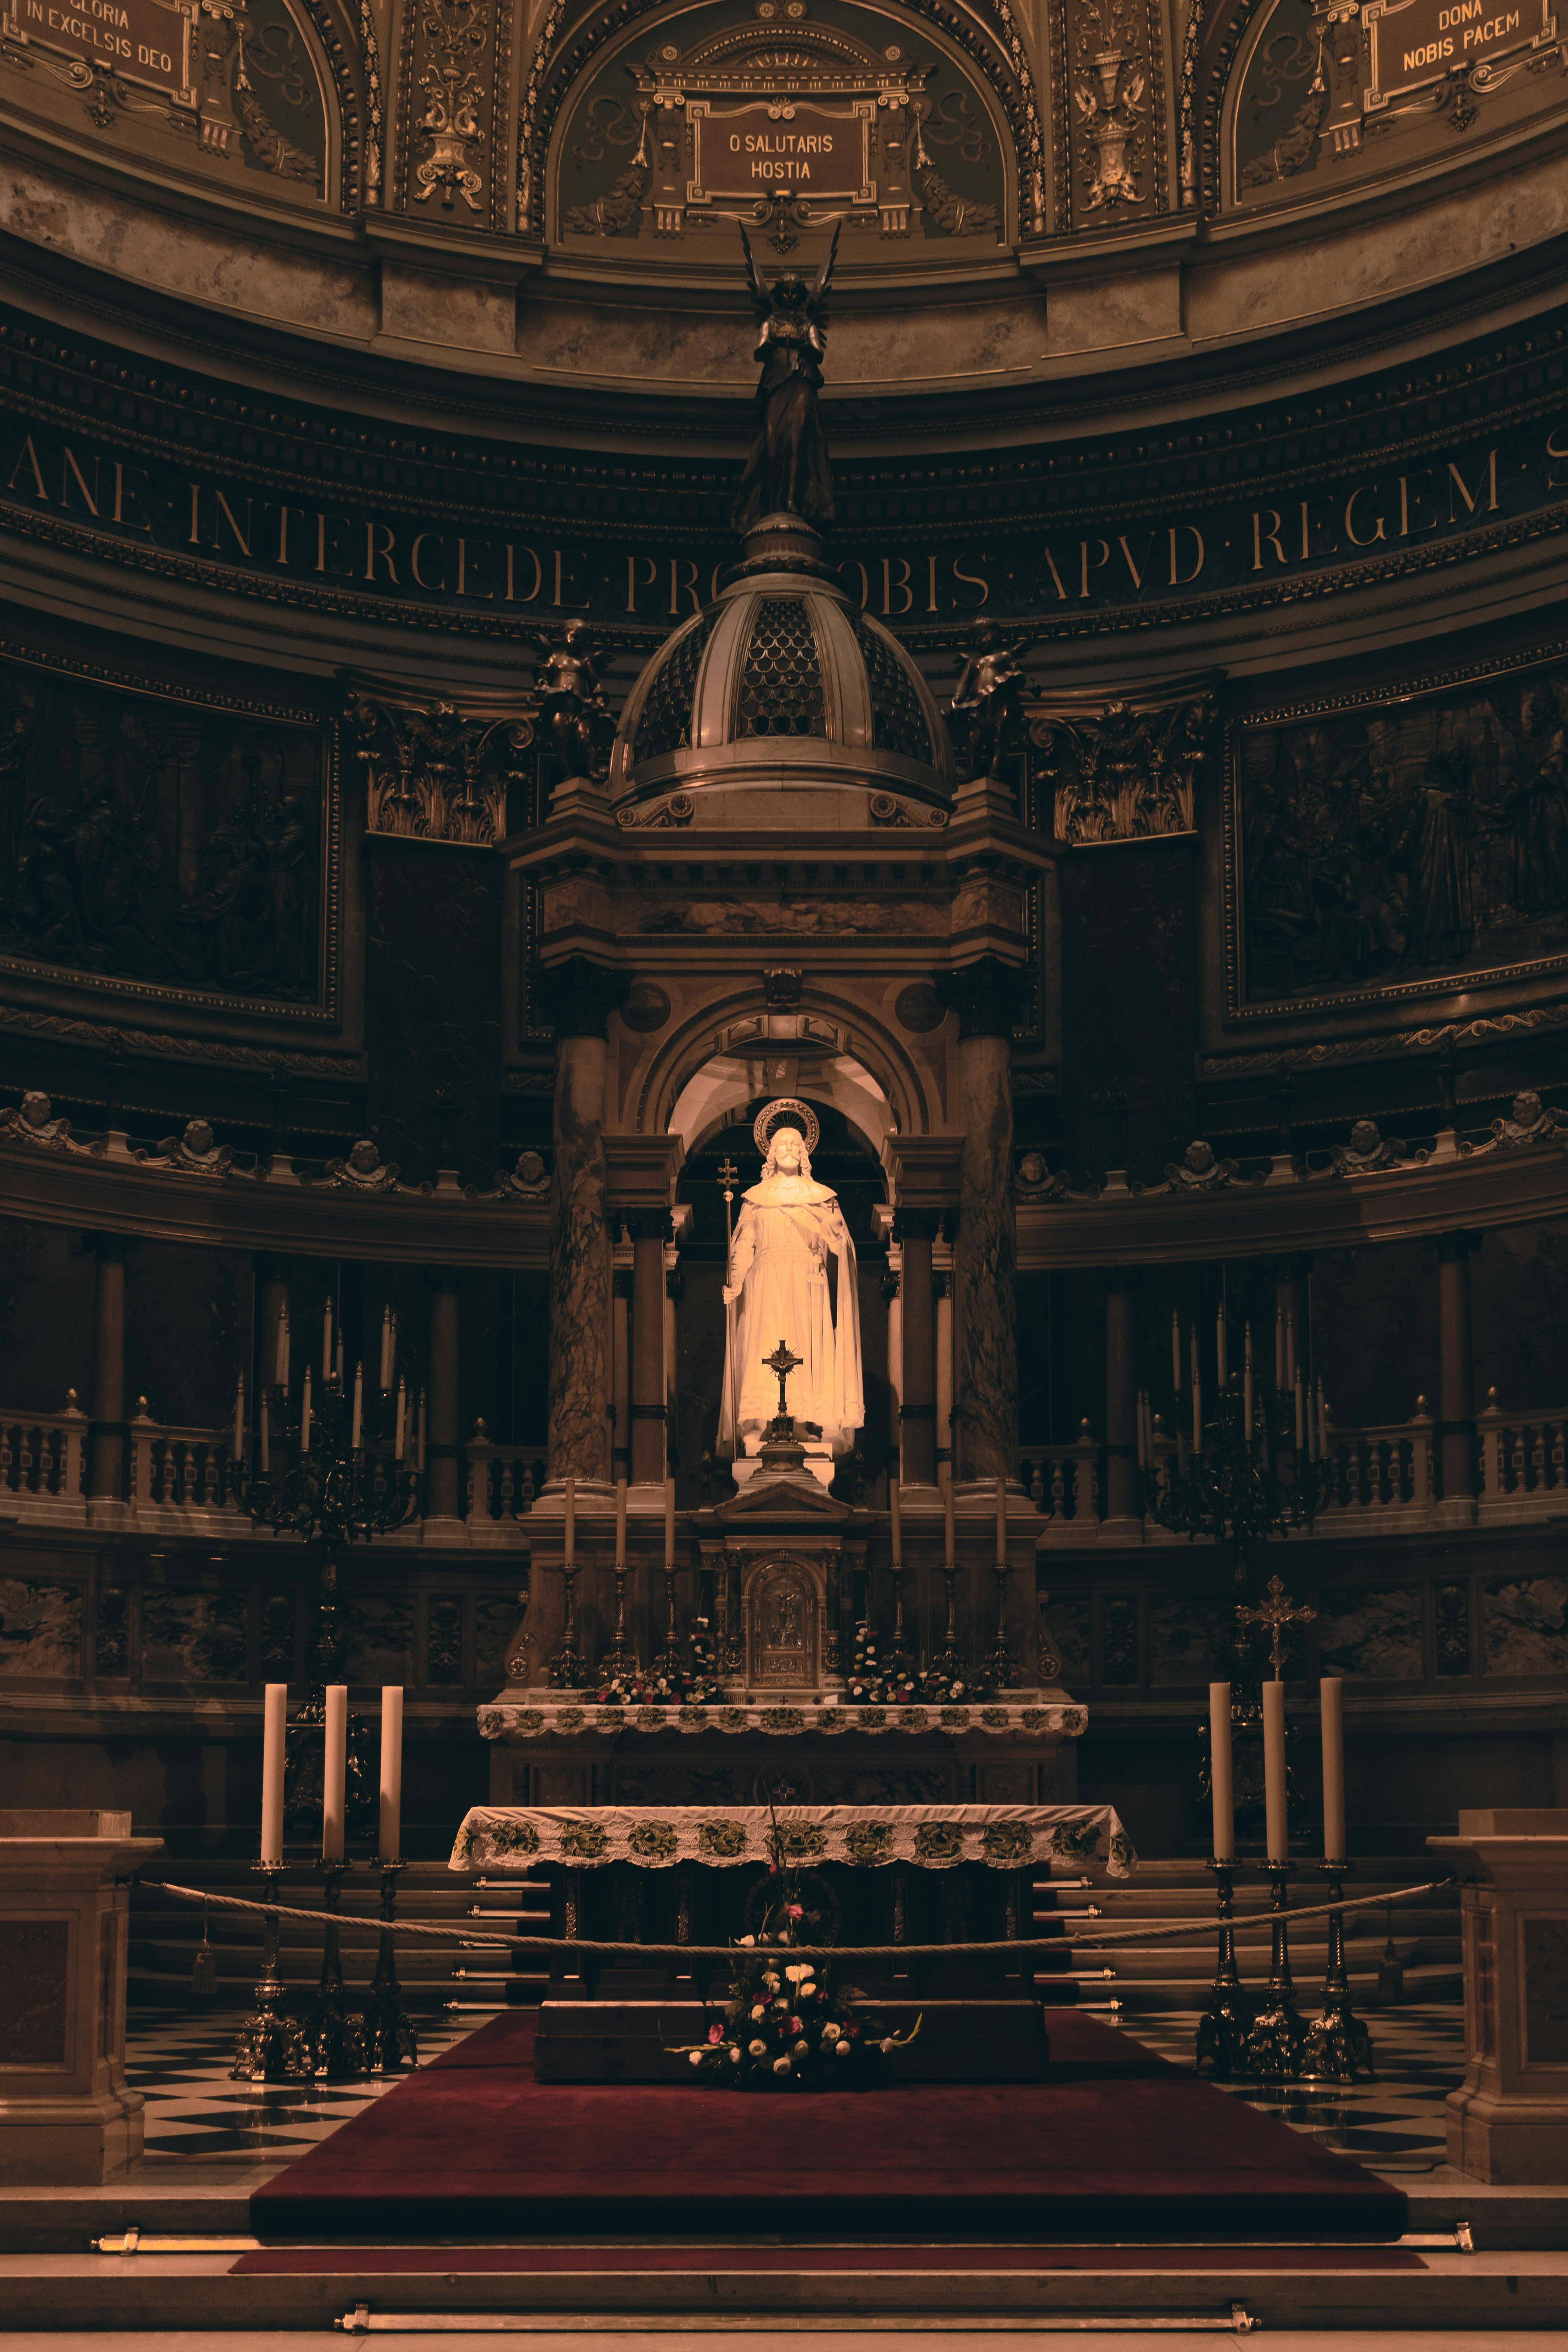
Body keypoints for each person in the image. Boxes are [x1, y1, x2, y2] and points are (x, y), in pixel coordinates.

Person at [718, 1117, 863, 1461]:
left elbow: (839, 1245)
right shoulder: (754, 1199)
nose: (789, 1149)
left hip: (806, 1282)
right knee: (766, 1342)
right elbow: (744, 1245)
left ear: (804, 1153)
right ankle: (768, 1421)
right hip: (767, 1281)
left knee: (804, 1345)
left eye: (796, 1144)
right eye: (782, 1144)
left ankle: (799, 1423)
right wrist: (736, 1282)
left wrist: (834, 1231)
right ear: (770, 1153)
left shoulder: (822, 1198)